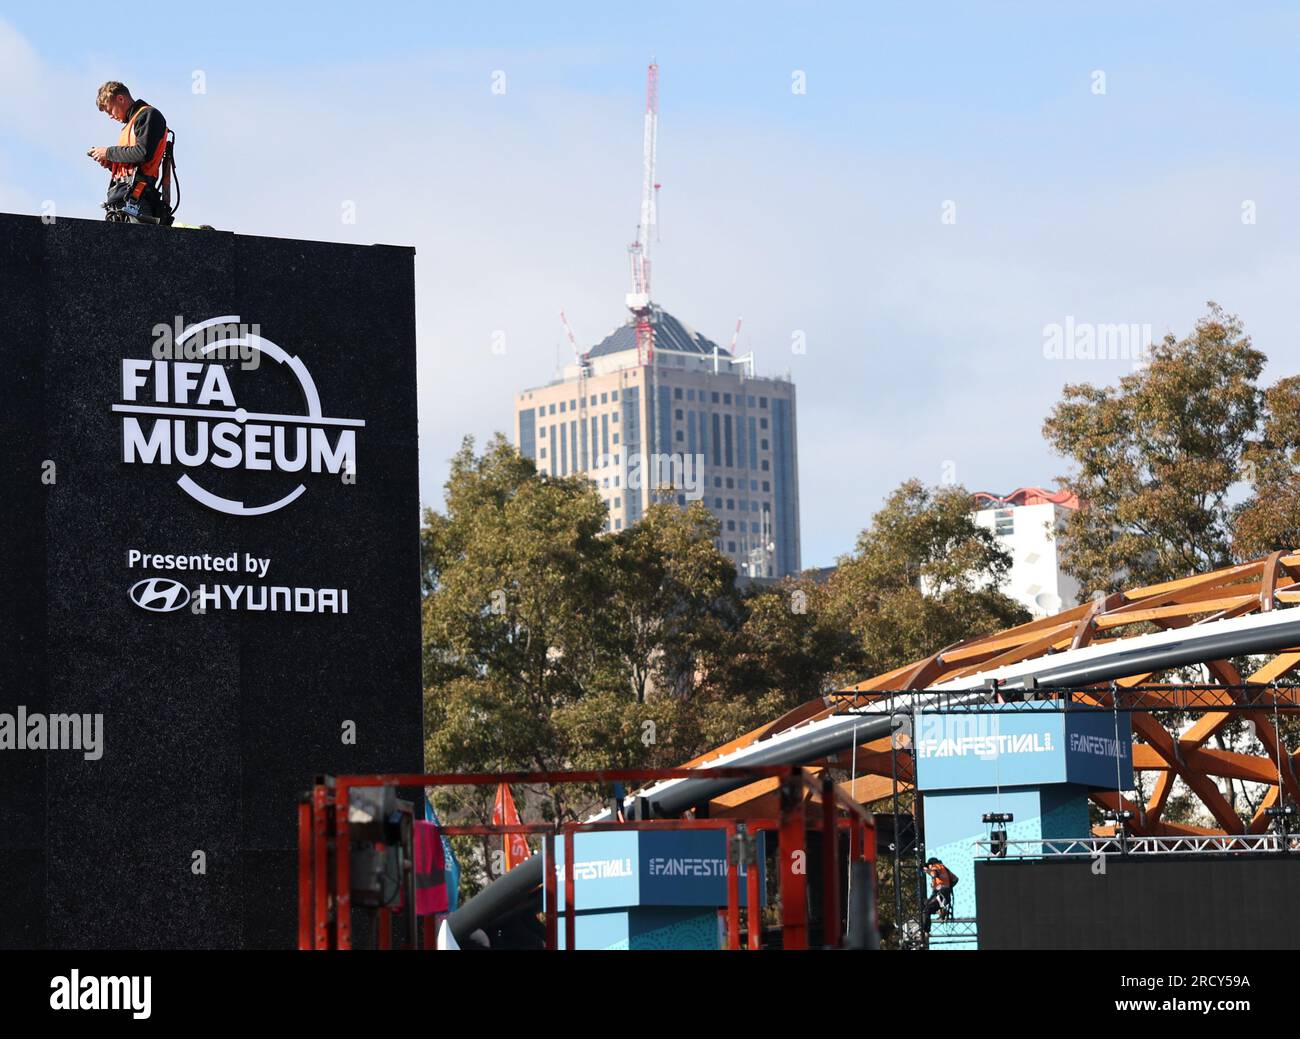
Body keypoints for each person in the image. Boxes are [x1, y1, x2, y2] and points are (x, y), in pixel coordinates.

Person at [88, 81, 172, 224]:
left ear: (120, 99)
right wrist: (111, 163)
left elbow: (143, 153)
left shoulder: (148, 115)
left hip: (137, 198)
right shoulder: (131, 124)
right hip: (121, 200)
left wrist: (108, 152)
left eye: (110, 110)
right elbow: (134, 165)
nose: (110, 116)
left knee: (139, 245)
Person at [922, 856, 958, 933]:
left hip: (940, 895)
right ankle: (939, 911)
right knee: (926, 905)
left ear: (931, 864)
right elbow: (955, 879)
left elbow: (934, 874)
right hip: (946, 896)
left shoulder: (936, 866)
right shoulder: (945, 869)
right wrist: (948, 887)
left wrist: (927, 870)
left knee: (926, 910)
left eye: (929, 865)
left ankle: (925, 931)